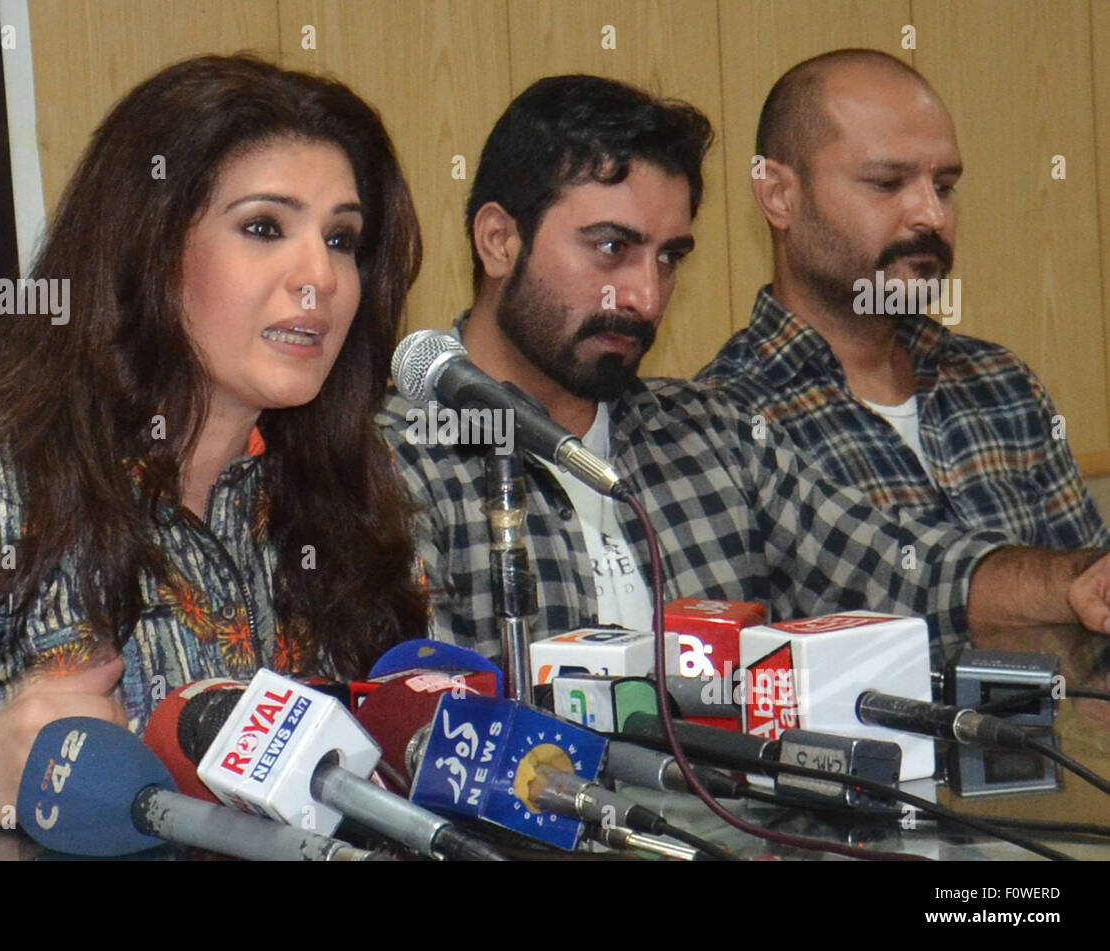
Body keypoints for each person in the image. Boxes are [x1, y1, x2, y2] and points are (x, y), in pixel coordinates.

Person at [0, 53, 428, 843]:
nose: (320, 278)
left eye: (342, 238)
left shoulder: (359, 489)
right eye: (265, 227)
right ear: (148, 248)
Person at [377, 73, 1110, 664]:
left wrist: (1078, 584)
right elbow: (413, 724)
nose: (643, 295)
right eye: (610, 248)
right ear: (499, 240)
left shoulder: (710, 432)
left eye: (669, 258)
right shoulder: (395, 454)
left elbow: (908, 574)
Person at [696, 49, 1108, 550]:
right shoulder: (724, 422)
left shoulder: (1002, 385)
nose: (932, 215)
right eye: (887, 184)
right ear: (780, 195)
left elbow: (1089, 596)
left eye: (945, 186)